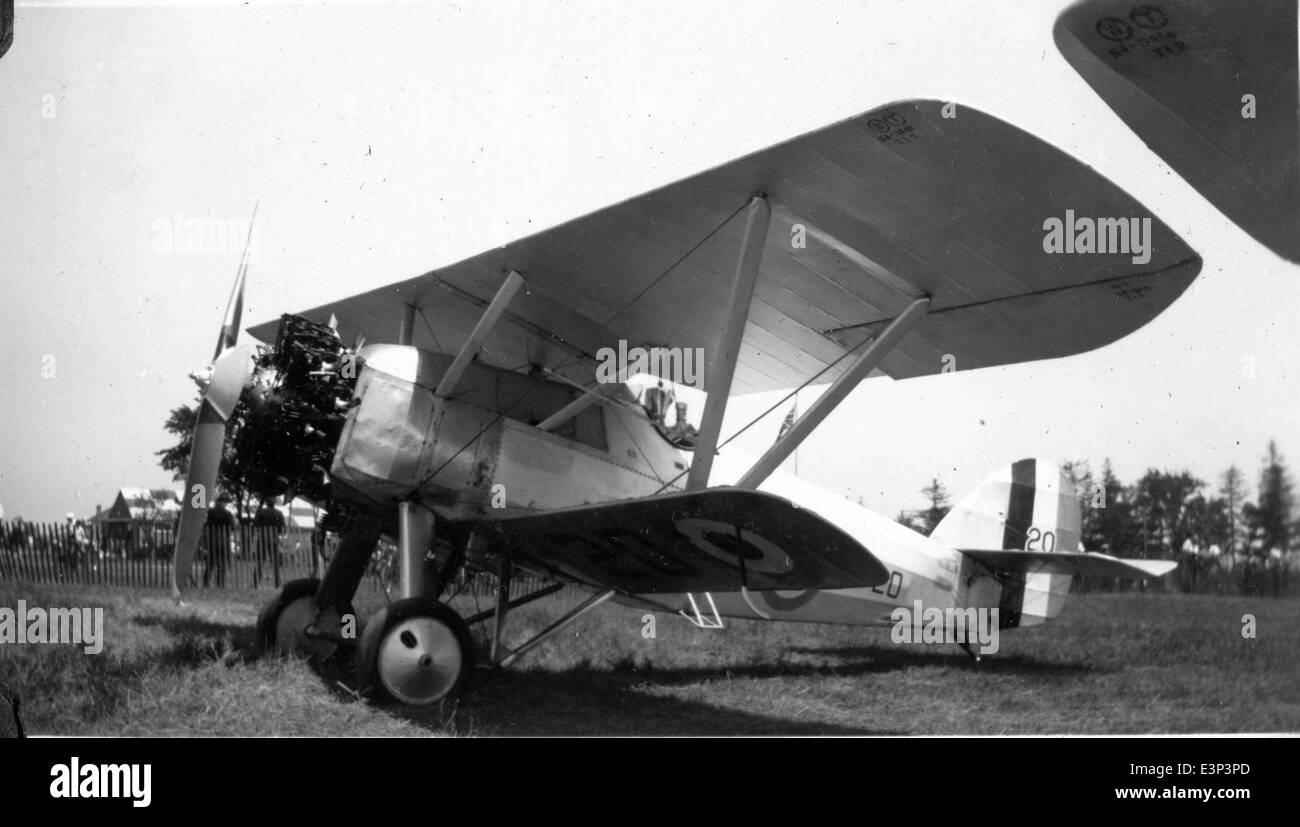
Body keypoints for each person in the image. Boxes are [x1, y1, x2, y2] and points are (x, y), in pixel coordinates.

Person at [252, 497, 285, 588]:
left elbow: (255, 524)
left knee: (259, 562)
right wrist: (276, 531)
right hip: (274, 539)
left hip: (262, 539)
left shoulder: (261, 512)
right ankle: (277, 583)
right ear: (274, 503)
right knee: (275, 562)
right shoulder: (279, 513)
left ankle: (255, 584)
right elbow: (282, 527)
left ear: (266, 503)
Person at [203, 495, 236, 587]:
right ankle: (220, 583)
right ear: (222, 503)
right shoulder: (227, 513)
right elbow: (232, 527)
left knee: (210, 563)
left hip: (212, 540)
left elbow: (206, 524)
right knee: (221, 563)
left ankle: (206, 582)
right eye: (225, 502)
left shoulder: (210, 512)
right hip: (223, 541)